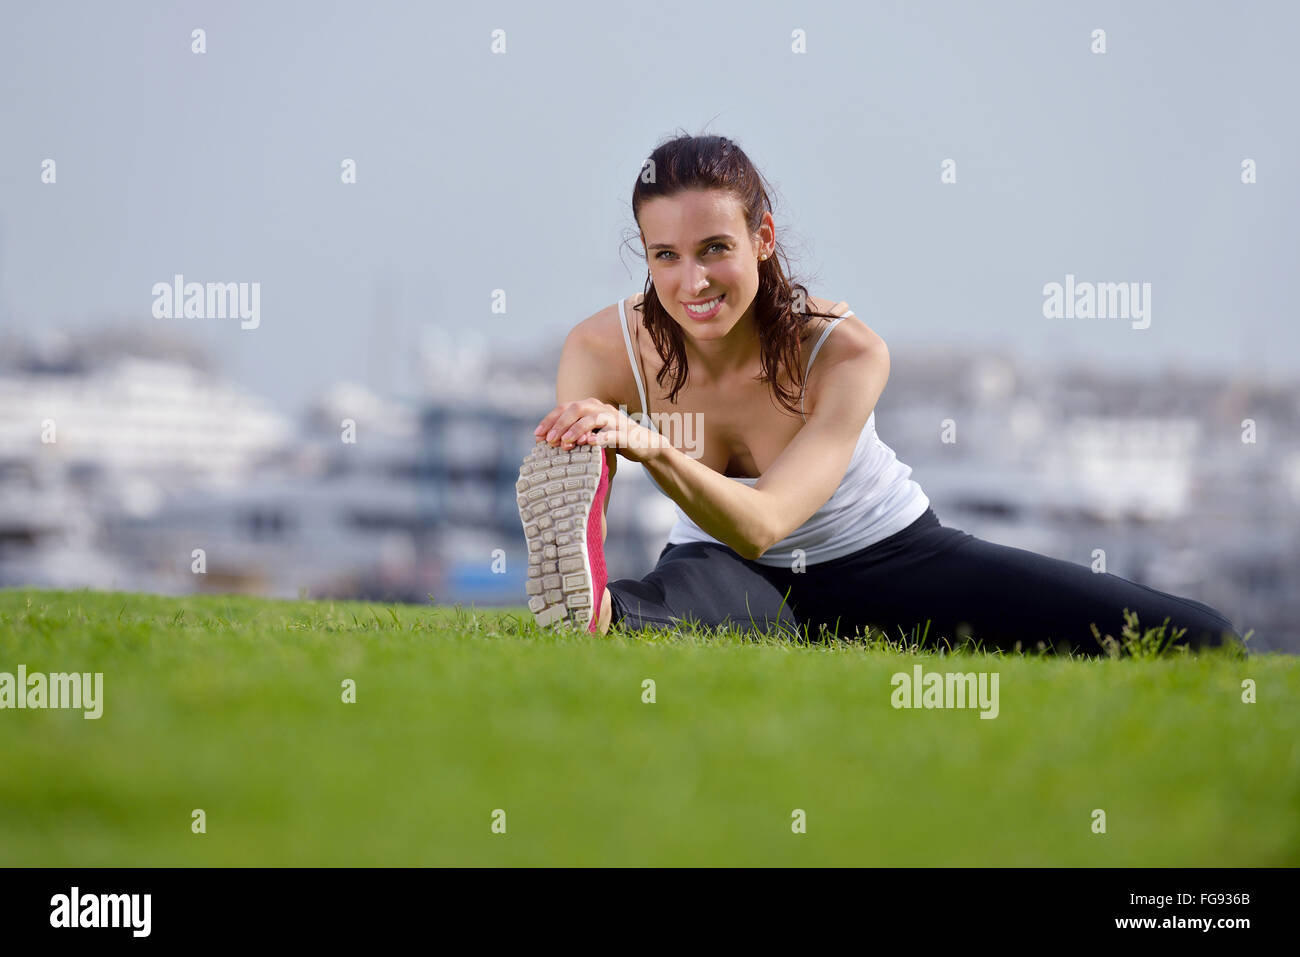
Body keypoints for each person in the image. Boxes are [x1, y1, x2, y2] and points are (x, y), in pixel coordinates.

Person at [520, 133, 1243, 656]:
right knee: (660, 607)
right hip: (728, 569)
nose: (693, 282)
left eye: (716, 248)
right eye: (665, 256)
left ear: (763, 237)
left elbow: (767, 520)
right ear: (644, 257)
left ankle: (633, 611)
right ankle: (609, 614)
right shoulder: (601, 350)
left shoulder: (847, 351)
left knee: (1198, 639)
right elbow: (619, 512)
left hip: (889, 557)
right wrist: (587, 464)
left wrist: (649, 445)